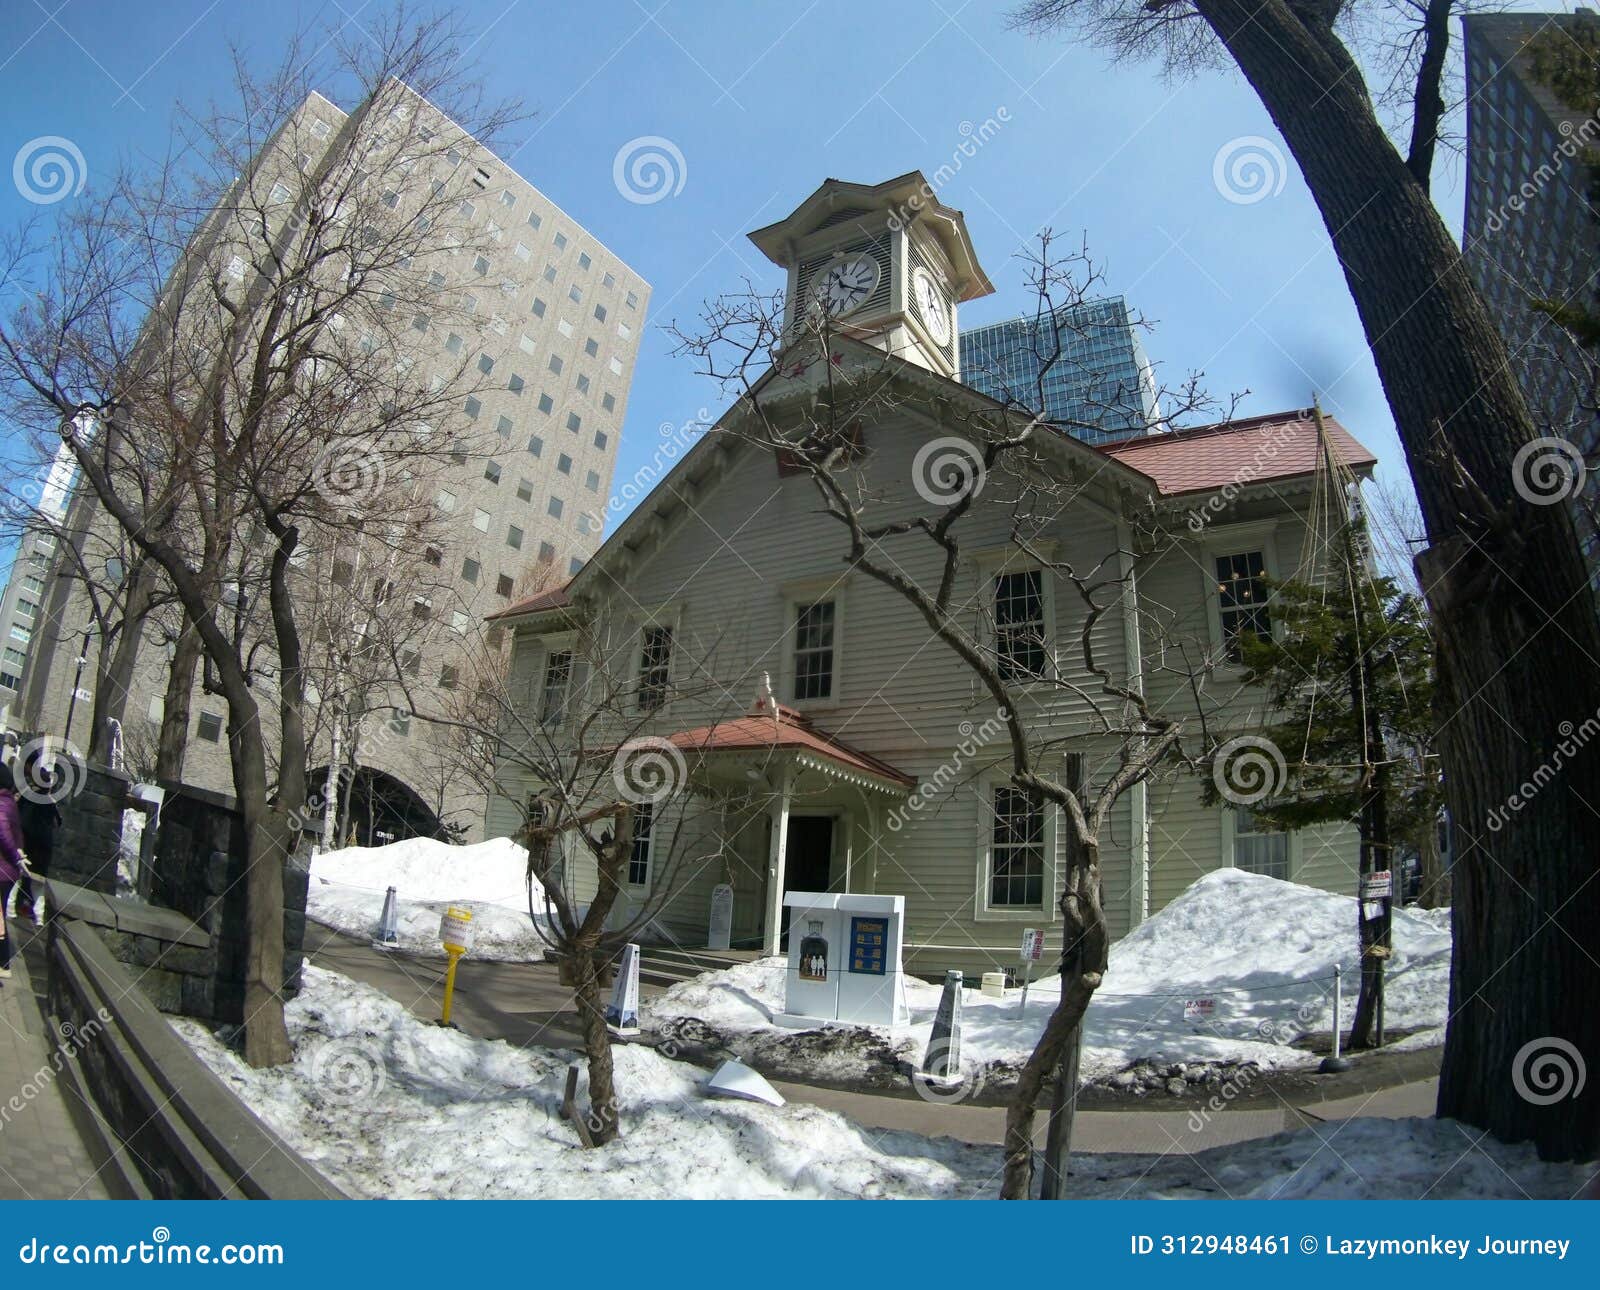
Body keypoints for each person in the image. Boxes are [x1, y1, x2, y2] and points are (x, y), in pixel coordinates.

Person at [13, 747, 60, 923]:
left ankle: (24, 910)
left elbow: (25, 819)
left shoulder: (32, 792)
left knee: (26, 880)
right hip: (39, 844)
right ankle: (28, 910)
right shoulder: (43, 794)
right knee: (30, 884)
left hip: (32, 844)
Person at [0, 765, 28, 981]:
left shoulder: (1, 803)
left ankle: (3, 963)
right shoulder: (8, 801)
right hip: (8, 871)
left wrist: (16, 856)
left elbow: (3, 834)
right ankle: (3, 963)